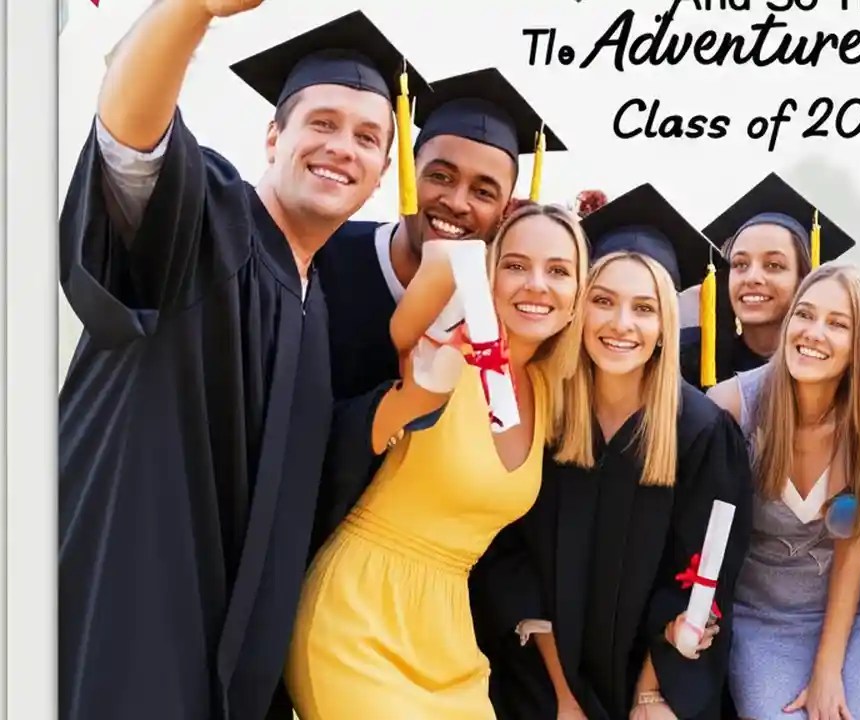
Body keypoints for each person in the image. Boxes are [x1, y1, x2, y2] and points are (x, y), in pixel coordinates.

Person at [57, 6, 421, 719]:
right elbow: (131, 141)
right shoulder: (207, 223)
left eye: (367, 137)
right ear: (273, 136)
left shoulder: (316, 304)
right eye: (321, 123)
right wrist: (190, 11)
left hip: (224, 671)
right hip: (122, 623)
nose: (342, 146)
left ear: (380, 175)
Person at [284, 202, 588, 719]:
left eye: (558, 271)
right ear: (487, 275)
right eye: (515, 265)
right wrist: (472, 261)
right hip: (357, 617)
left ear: (578, 296)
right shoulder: (444, 349)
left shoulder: (549, 391)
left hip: (448, 638)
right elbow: (444, 259)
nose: (537, 283)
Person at [476, 184, 755, 720]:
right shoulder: (543, 416)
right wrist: (564, 700)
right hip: (542, 675)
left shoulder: (700, 433)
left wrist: (652, 692)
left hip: (655, 676)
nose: (621, 324)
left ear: (663, 326)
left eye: (644, 308)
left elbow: (700, 575)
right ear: (579, 310)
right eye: (602, 301)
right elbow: (512, 562)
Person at [314, 66, 568, 544]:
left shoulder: (489, 318)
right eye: (440, 176)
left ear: (507, 210)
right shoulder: (327, 254)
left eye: (484, 192)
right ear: (407, 173)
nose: (456, 201)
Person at [706, 263, 860, 720]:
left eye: (838, 324)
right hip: (761, 617)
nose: (813, 332)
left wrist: (828, 671)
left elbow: (852, 551)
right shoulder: (733, 408)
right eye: (805, 314)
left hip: (850, 617)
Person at [681, 172, 854, 389]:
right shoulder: (687, 363)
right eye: (740, 264)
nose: (752, 278)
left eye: (774, 265)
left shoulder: (835, 365)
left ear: (805, 279)